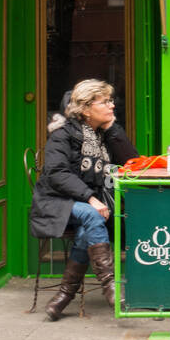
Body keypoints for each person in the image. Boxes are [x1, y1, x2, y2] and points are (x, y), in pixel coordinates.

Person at [30, 80, 139, 321]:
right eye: (105, 102)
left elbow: (133, 163)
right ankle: (110, 286)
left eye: (111, 101)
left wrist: (113, 129)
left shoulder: (104, 135)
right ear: (86, 109)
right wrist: (90, 198)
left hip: (93, 206)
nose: (112, 106)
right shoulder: (62, 136)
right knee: (92, 216)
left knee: (87, 229)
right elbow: (57, 174)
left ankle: (63, 296)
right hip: (57, 202)